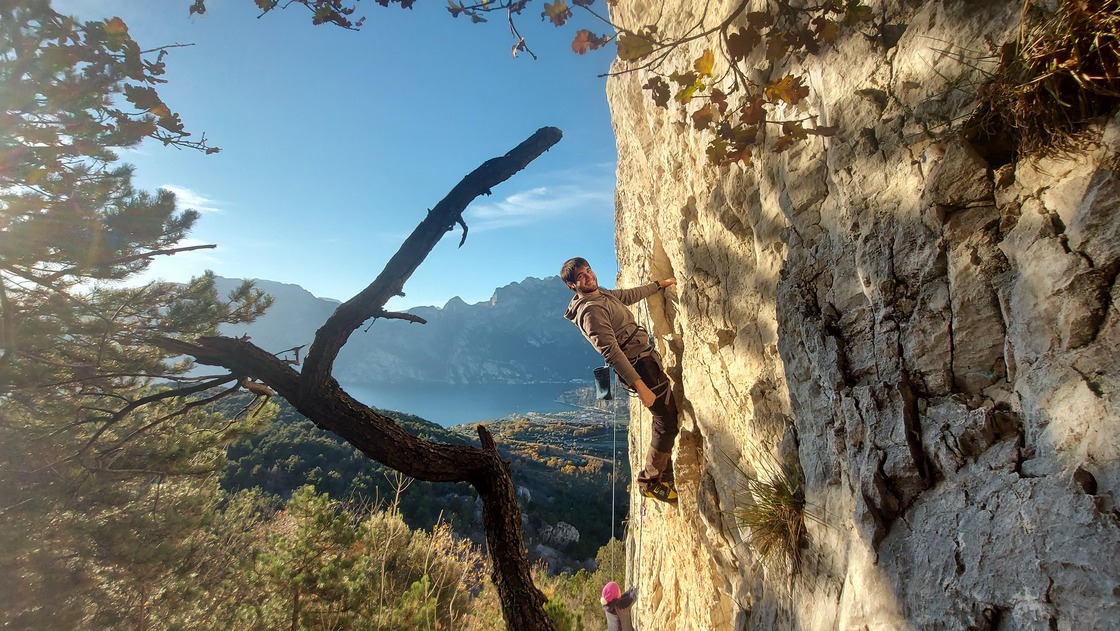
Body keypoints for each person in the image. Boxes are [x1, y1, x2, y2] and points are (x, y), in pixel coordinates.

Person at [561, 257, 679, 503]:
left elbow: (625, 296)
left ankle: (660, 473)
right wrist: (641, 387)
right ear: (572, 285)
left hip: (644, 359)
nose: (588, 276)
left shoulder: (600, 294)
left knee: (665, 417)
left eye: (588, 270)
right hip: (640, 367)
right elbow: (612, 353)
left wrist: (659, 285)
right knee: (665, 419)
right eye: (580, 277)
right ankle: (651, 480)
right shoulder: (590, 312)